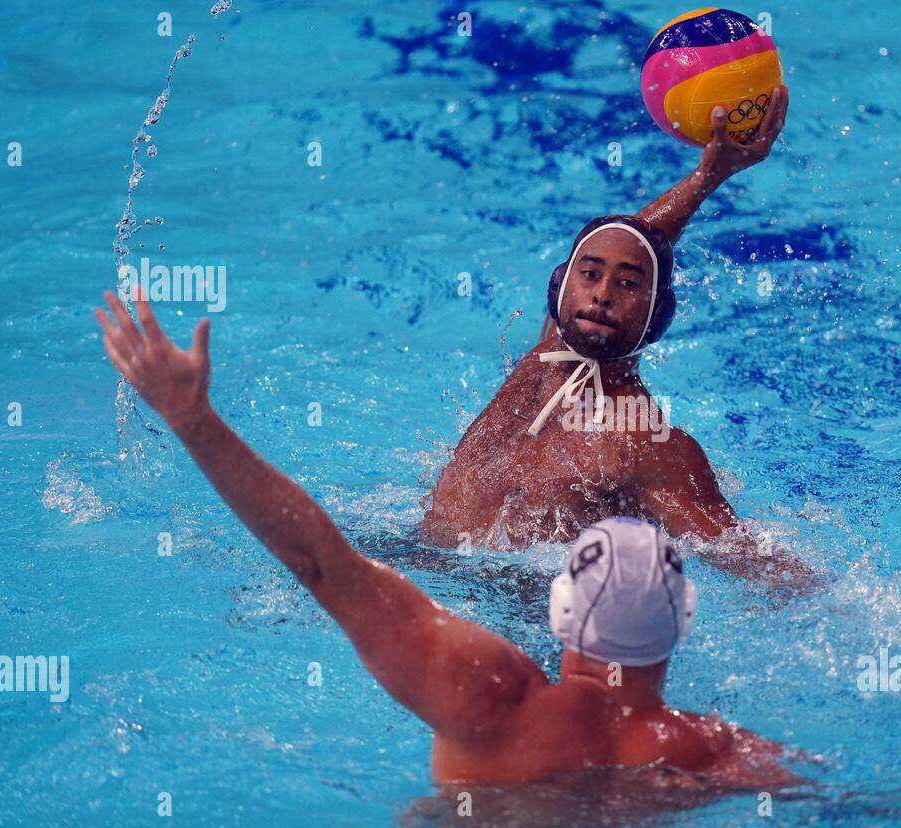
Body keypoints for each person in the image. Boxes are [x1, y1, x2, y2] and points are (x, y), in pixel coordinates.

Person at [93, 291, 799, 788]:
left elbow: (320, 564)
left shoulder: (488, 699)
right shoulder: (710, 753)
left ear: (557, 611)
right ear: (683, 620)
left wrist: (193, 419)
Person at [419, 86, 810, 586]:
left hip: (520, 628)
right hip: (419, 568)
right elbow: (629, 239)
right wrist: (707, 177)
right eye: (589, 276)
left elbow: (756, 561)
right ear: (560, 291)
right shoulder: (548, 355)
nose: (602, 294)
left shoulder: (647, 444)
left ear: (658, 315)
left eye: (628, 285)